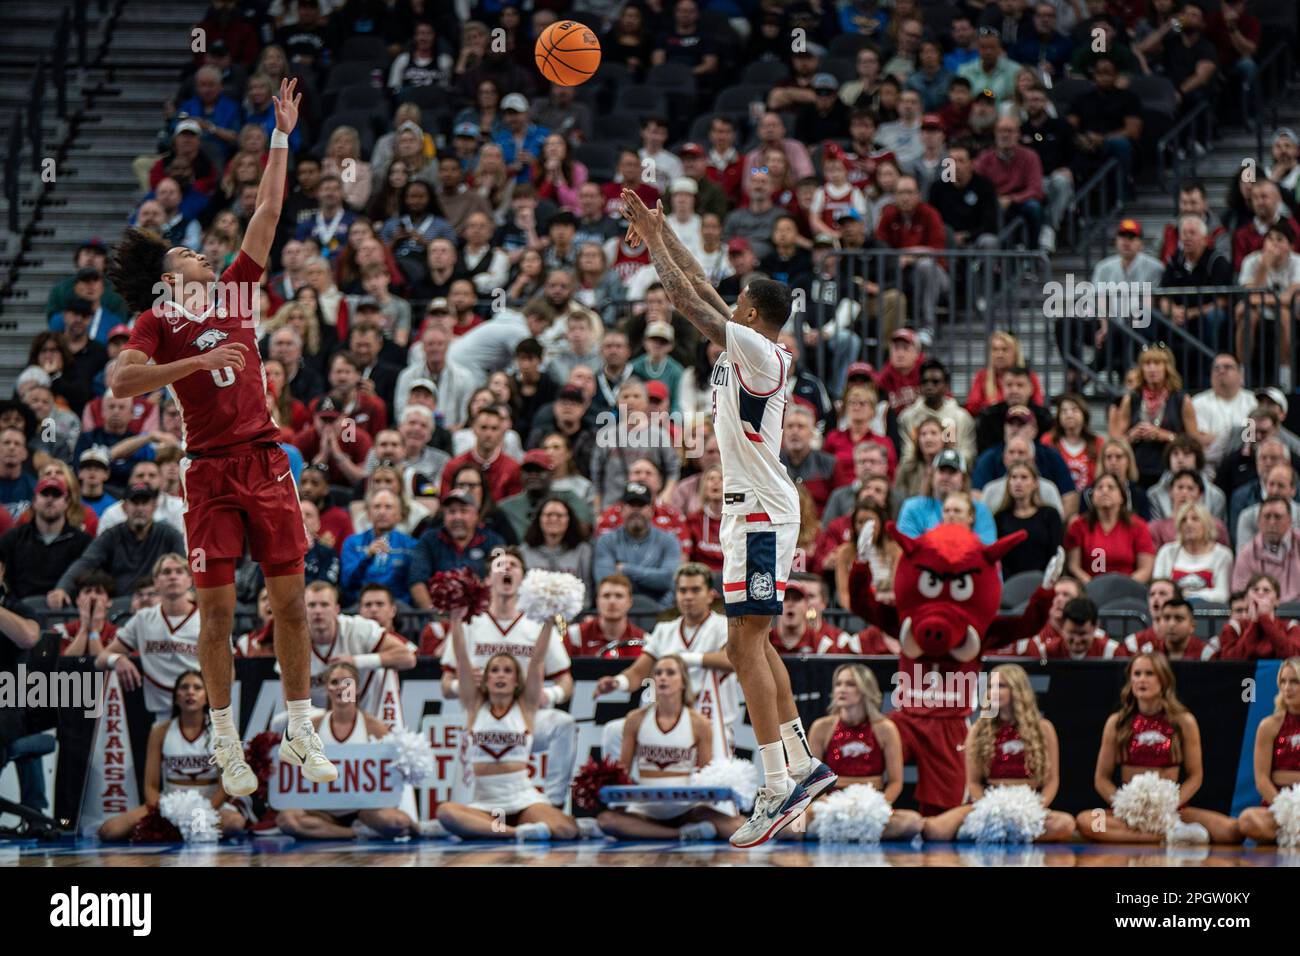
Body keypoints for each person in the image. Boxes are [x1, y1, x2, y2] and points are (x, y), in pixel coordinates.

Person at [106, 79, 335, 792]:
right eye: (188, 252)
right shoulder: (157, 322)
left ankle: (301, 730)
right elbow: (121, 382)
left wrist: (281, 134)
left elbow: (268, 209)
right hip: (206, 471)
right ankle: (227, 742)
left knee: (292, 602)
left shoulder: (236, 289)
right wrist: (196, 362)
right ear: (170, 277)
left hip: (264, 462)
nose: (203, 254)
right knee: (218, 613)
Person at [621, 188, 837, 847]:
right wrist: (661, 231)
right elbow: (702, 289)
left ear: (752, 315)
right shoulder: (754, 343)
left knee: (743, 641)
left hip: (762, 515)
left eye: (738, 303)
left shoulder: (760, 355)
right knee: (757, 638)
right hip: (757, 512)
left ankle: (774, 784)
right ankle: (801, 759)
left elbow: (687, 302)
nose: (730, 306)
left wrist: (652, 246)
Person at [438, 548, 578, 810]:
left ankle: (553, 803)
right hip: (481, 714)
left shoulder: (536, 623)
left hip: (526, 715)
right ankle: (474, 807)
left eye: (513, 565)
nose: (507, 569)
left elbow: (565, 679)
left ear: (523, 579)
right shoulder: (469, 622)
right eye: (500, 564)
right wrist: (468, 686)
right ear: (488, 578)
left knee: (564, 724)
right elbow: (445, 685)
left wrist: (550, 695)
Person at [1075, 652, 1242, 844]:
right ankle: (1166, 836)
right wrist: (1125, 806)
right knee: (1087, 821)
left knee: (1231, 831)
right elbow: (1101, 779)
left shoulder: (1184, 721)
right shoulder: (1117, 722)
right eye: (1137, 674)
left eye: (1149, 674)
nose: (1142, 680)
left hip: (1173, 810)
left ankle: (1163, 830)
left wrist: (1170, 805)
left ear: (1164, 680)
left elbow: (1196, 776)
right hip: (1130, 813)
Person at [595, 654, 743, 841]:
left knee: (736, 826)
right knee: (607, 820)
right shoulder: (635, 719)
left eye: (670, 673)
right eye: (658, 673)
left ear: (683, 682)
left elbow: (705, 775)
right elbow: (622, 772)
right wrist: (618, 804)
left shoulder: (700, 724)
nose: (663, 677)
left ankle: (660, 831)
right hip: (645, 808)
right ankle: (681, 834)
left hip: (686, 808)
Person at [922, 663, 1078, 841]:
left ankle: (991, 834)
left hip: (1028, 805)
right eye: (990, 687)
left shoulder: (1043, 728)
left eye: (1001, 686)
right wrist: (989, 807)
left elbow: (1051, 780)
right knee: (934, 830)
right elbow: (973, 783)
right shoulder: (979, 729)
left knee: (1065, 824)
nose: (992, 692)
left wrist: (1036, 807)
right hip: (989, 804)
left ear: (1018, 690)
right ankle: (1002, 832)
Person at [96, 671, 248, 841]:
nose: (190, 692)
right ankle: (180, 830)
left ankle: (177, 831)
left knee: (234, 823)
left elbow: (225, 787)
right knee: (109, 830)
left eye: (197, 688)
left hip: (211, 806)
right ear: (176, 697)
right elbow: (150, 786)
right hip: (169, 807)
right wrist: (166, 811)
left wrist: (204, 811)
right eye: (184, 687)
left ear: (207, 697)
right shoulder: (160, 732)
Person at [275, 661, 419, 840]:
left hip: (364, 811)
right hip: (323, 811)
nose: (340, 688)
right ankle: (355, 833)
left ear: (357, 688)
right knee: (287, 821)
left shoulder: (374, 727)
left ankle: (418, 829)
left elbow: (391, 772)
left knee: (396, 822)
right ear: (327, 687)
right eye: (335, 682)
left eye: (347, 682)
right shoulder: (313, 726)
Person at [93, 553, 199, 723]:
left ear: (190, 580)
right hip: (161, 715)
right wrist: (117, 659)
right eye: (166, 572)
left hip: (201, 713)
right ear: (156, 582)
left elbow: (228, 668)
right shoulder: (143, 619)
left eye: (179, 571)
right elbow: (100, 659)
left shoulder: (207, 619)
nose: (172, 576)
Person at [1108, 346, 1199, 489]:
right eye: (1147, 364)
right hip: (1136, 471)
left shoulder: (1181, 400)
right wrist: (1132, 435)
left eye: (1157, 364)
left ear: (1167, 368)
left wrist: (1164, 435)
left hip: (1170, 472)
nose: (1151, 369)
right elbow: (1116, 442)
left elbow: (1194, 442)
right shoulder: (1131, 399)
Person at [1236, 657, 1300, 844]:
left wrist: (1283, 776)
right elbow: (1262, 780)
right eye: (1283, 681)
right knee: (1248, 820)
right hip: (1278, 807)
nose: (1287, 687)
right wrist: (1288, 809)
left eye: (1295, 681)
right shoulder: (1269, 726)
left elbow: (1277, 776)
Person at [0, 475, 92, 601]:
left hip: (66, 610)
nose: (50, 499)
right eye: (45, 494)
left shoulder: (83, 542)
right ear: (34, 501)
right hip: (19, 610)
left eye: (56, 495)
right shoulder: (13, 538)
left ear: (67, 502)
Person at [1064, 473, 1155, 583]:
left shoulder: (1138, 526)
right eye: (1099, 487)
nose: (1105, 491)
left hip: (1128, 590)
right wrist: (1092, 585)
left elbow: (1145, 569)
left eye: (1111, 487)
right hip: (1089, 589)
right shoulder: (1078, 526)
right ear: (1092, 497)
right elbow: (1074, 566)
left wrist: (1125, 586)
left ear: (1122, 497)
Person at [897, 449, 998, 544]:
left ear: (963, 479)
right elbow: (908, 548)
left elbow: (987, 548)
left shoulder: (980, 510)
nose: (946, 477)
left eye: (952, 472)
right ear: (932, 476)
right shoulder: (912, 507)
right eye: (942, 471)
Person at [338, 488, 418, 607]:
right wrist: (367, 556)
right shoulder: (352, 543)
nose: (382, 512)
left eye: (388, 507)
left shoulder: (411, 545)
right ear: (369, 514)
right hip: (360, 605)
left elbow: (415, 585)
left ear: (399, 515)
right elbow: (346, 582)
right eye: (377, 507)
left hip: (399, 608)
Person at [993, 462, 1064, 577]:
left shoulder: (1050, 514)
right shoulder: (1000, 517)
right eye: (1013, 477)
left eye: (1024, 477)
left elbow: (1056, 554)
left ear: (1035, 483)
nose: (1018, 482)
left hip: (1044, 581)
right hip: (1010, 585)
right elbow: (999, 558)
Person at [1152, 503, 1233, 603]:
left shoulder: (1223, 555)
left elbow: (1222, 595)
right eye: (1183, 520)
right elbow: (1158, 589)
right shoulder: (1167, 552)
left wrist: (1186, 597)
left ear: (1206, 524)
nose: (1188, 523)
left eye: (1195, 519)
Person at [1232, 497, 1300, 602]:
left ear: (1290, 520)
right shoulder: (1247, 553)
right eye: (1267, 517)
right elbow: (1239, 593)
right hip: (1262, 613)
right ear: (1258, 521)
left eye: (1278, 517)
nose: (1272, 522)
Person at [1218, 574, 1300, 659]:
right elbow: (1229, 662)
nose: (1260, 593)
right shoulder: (1234, 627)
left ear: (1277, 600)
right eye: (1255, 589)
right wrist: (1254, 623)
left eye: (1266, 590)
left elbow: (1294, 659)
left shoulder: (1290, 627)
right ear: (1246, 598)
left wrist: (1265, 619)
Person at [566, 574, 646, 658]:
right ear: (597, 601)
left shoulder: (643, 639)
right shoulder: (574, 635)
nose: (612, 601)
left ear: (630, 602)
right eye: (606, 595)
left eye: (619, 596)